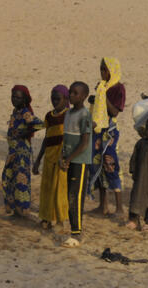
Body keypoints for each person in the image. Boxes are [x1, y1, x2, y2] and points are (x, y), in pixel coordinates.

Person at [89, 58, 125, 215]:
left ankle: (119, 206)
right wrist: (97, 95)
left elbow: (115, 111)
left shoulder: (118, 88)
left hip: (110, 131)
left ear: (113, 70)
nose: (102, 73)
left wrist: (102, 96)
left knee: (110, 164)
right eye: (101, 69)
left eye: (105, 70)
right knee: (97, 163)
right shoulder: (102, 86)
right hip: (98, 130)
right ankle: (103, 206)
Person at [2, 85, 43, 218]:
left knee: (21, 181)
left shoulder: (26, 112)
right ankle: (15, 209)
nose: (14, 99)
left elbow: (40, 124)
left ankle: (23, 211)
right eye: (13, 97)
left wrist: (26, 132)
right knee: (9, 178)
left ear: (24, 99)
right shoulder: (16, 111)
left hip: (21, 153)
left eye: (18, 97)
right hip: (13, 152)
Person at [60, 81, 92, 247]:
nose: (71, 96)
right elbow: (66, 139)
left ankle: (77, 233)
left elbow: (84, 143)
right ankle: (74, 229)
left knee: (76, 196)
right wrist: (63, 157)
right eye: (70, 93)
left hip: (79, 161)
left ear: (84, 96)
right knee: (70, 196)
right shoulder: (68, 113)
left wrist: (69, 158)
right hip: (70, 159)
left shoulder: (85, 115)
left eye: (75, 93)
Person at [33, 84, 70, 230]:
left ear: (65, 99)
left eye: (57, 99)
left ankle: (61, 220)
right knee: (47, 188)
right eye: (52, 99)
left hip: (62, 158)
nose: (54, 101)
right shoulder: (49, 116)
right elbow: (46, 138)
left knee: (59, 189)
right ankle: (46, 218)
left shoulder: (69, 115)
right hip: (49, 156)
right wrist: (38, 159)